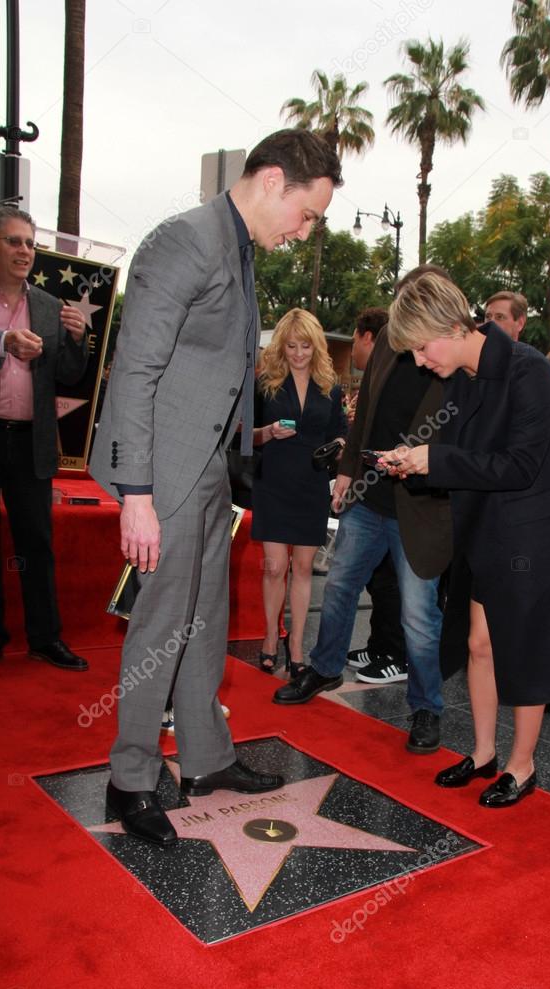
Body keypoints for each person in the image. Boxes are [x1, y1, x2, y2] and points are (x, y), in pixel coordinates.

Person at [89, 129, 342, 847]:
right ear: (271, 180)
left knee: (205, 617)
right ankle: (131, 775)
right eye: (308, 212)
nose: (306, 229)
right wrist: (136, 491)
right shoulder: (186, 241)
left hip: (209, 470)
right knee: (160, 624)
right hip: (164, 471)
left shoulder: (236, 249)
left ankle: (204, 758)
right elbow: (134, 370)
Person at [381, 272, 550, 807]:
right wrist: (412, 459)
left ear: (450, 325)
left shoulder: (528, 370)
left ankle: (522, 765)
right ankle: (484, 753)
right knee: (479, 644)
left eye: (420, 346)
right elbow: (460, 454)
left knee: (523, 651)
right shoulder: (461, 376)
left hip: (541, 535)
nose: (418, 360)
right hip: (491, 529)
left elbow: (518, 464)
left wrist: (433, 459)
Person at [273, 267, 453, 756]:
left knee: (419, 615)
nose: (403, 313)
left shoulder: (453, 362)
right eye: (400, 302)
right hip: (368, 498)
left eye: (412, 303)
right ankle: (325, 669)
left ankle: (426, 708)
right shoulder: (390, 347)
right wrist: (348, 472)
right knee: (340, 591)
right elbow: (366, 413)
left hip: (420, 508)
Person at [0, 207, 89, 670]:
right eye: (13, 241)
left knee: (36, 542)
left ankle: (45, 637)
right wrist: (3, 343)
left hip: (30, 441)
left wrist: (77, 340)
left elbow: (70, 375)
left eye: (29, 244)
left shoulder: (51, 307)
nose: (24, 251)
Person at [251, 308, 346, 677]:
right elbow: (246, 436)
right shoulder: (266, 384)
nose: (298, 353)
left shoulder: (330, 387)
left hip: (310, 484)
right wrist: (268, 431)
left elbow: (341, 432)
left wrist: (336, 444)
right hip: (273, 482)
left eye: (305, 346)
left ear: (316, 346)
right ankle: (270, 636)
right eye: (291, 346)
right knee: (275, 568)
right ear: (281, 346)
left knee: (304, 567)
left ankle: (296, 645)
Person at [345, 305, 409, 684]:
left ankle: (397, 654)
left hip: (398, 495)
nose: (353, 348)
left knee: (394, 583)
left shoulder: (400, 367)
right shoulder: (382, 373)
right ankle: (381, 644)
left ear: (368, 337)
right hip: (375, 491)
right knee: (381, 580)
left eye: (354, 339)